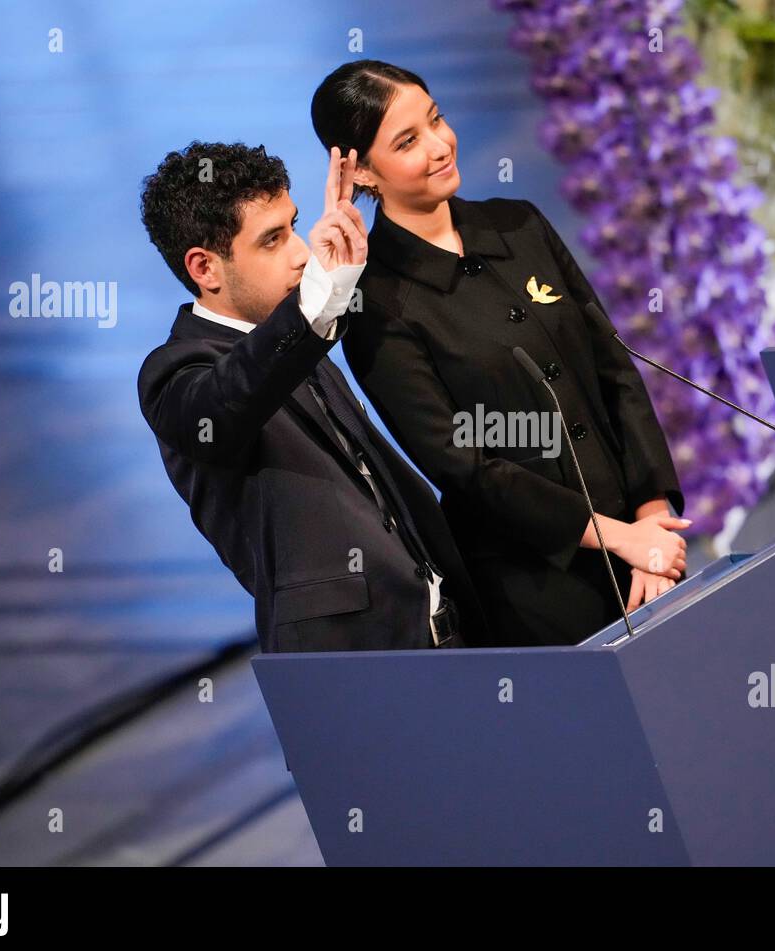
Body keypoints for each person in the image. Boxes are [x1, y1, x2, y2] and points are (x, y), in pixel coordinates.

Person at [311, 61, 690, 648]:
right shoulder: (375, 306)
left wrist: (649, 516)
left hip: (652, 553)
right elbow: (464, 465)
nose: (439, 146)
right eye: (408, 141)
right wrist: (615, 536)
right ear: (359, 170)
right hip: (539, 586)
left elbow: (614, 368)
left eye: (436, 120)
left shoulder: (520, 224)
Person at [137, 140, 487, 652]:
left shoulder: (302, 346)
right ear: (205, 268)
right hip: (351, 667)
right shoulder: (175, 374)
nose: (302, 252)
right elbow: (235, 394)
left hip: (437, 638)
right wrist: (317, 303)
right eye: (272, 240)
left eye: (294, 226)